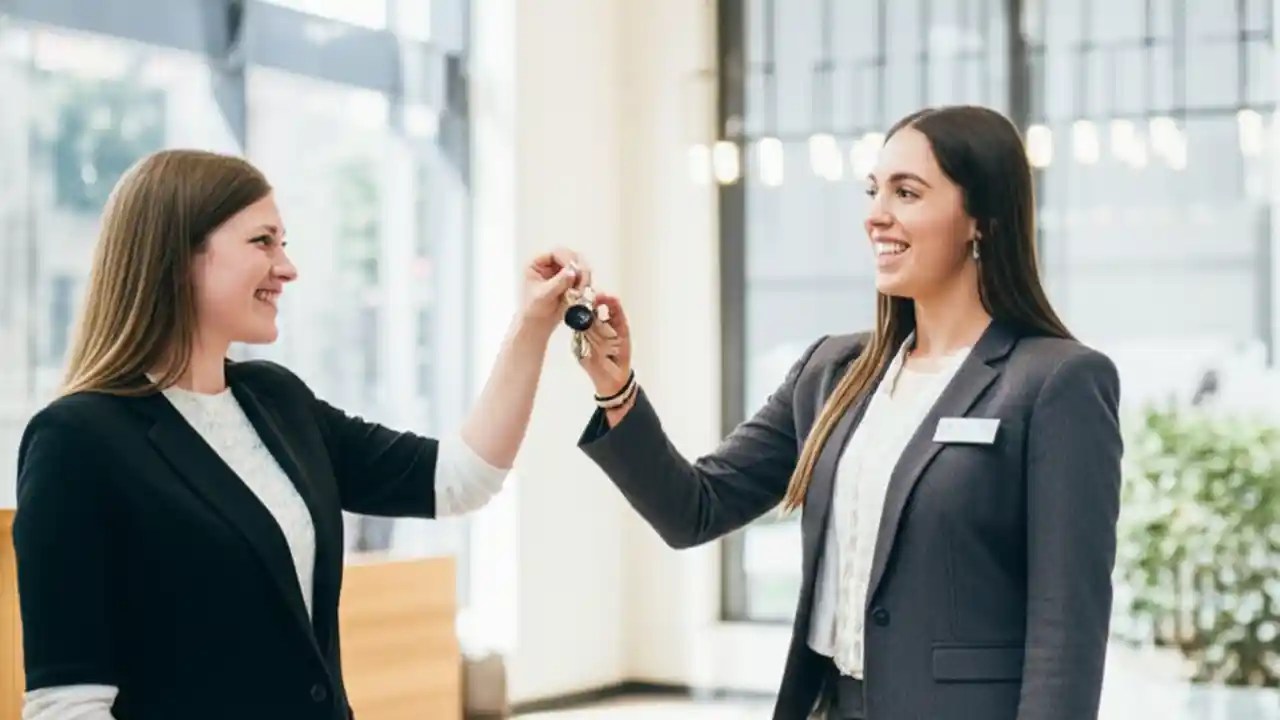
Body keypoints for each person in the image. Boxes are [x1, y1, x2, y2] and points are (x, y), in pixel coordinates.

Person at [575, 106, 1123, 720]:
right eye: (873, 191)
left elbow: (1066, 631)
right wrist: (615, 387)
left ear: (982, 221)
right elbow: (693, 509)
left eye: (906, 192)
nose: (876, 215)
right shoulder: (833, 372)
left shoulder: (1057, 382)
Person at [13, 149, 596, 720]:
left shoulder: (276, 400)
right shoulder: (77, 441)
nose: (287, 268)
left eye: (283, 243)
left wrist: (531, 326)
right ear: (178, 255)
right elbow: (68, 705)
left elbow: (459, 478)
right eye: (262, 241)